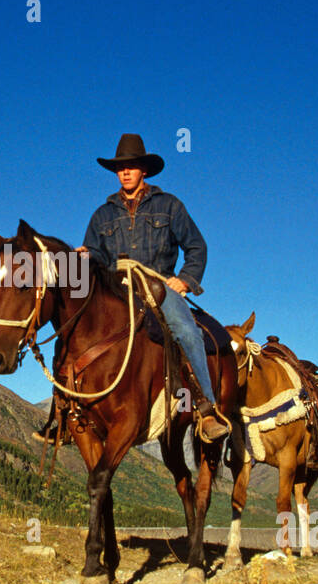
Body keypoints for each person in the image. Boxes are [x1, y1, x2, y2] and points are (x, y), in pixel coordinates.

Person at [38, 133, 229, 444]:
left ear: (144, 170)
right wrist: (84, 256)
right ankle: (61, 415)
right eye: (120, 168)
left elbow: (197, 246)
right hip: (114, 288)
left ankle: (206, 407)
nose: (125, 172)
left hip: (157, 287)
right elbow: (96, 256)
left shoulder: (169, 206)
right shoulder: (103, 214)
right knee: (70, 332)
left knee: (185, 328)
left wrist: (185, 280)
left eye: (131, 166)